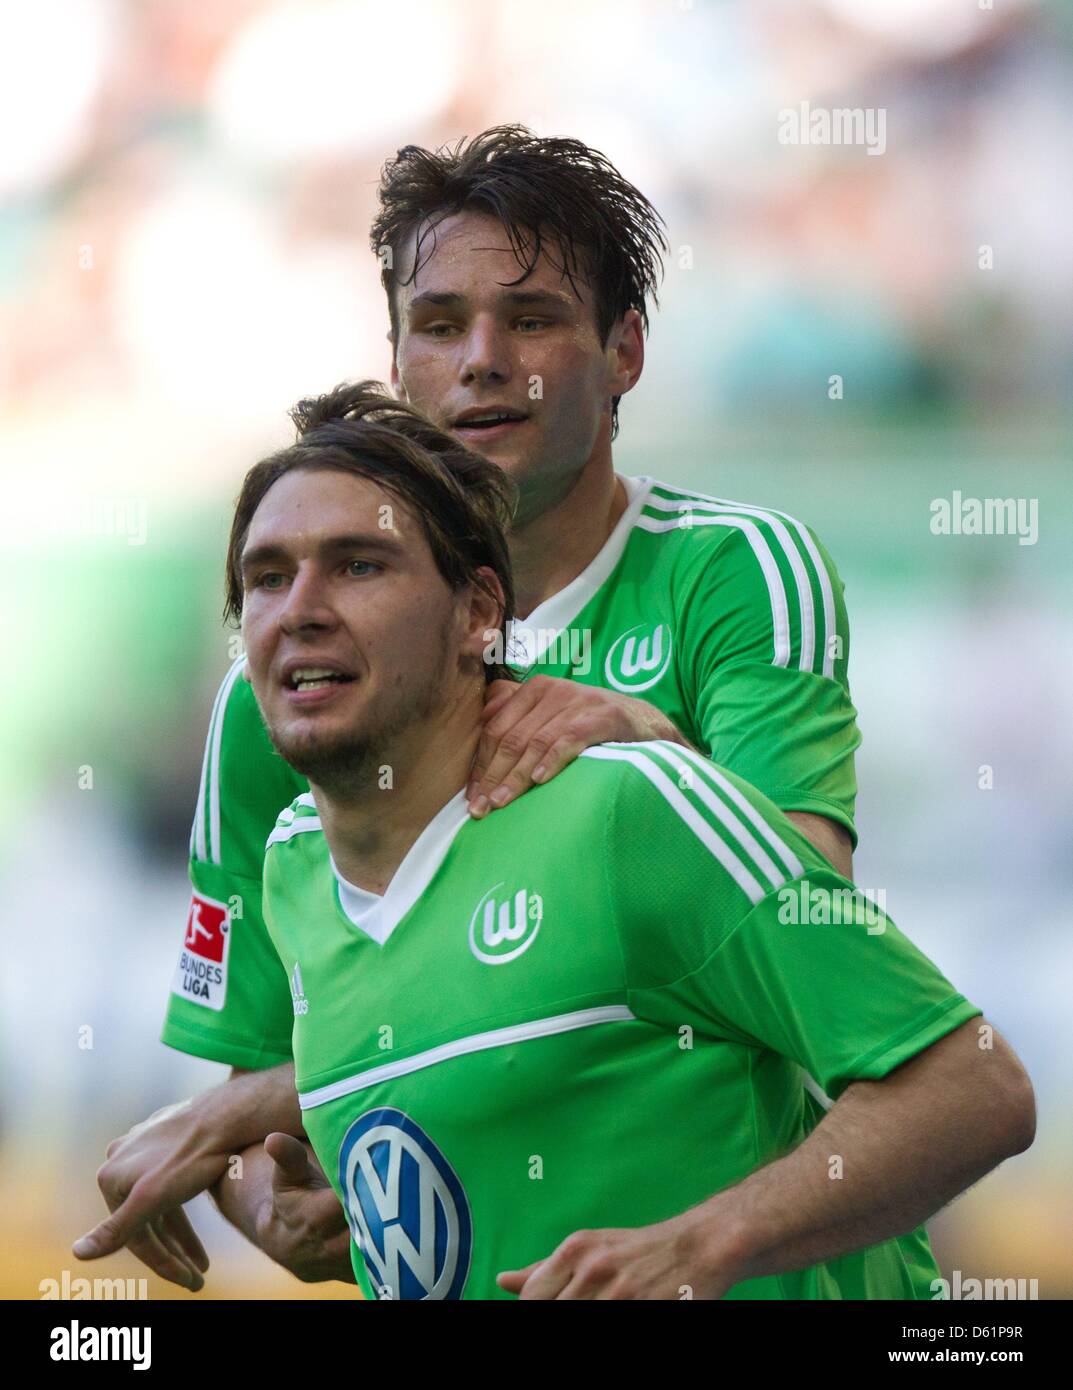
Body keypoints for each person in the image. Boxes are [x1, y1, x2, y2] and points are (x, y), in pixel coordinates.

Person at [77, 127, 862, 1289]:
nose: (481, 361)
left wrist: (648, 744)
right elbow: (248, 1073)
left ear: (624, 350)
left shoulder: (738, 572)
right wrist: (263, 1194)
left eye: (531, 318)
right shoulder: (285, 692)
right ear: (398, 361)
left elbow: (813, 932)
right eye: (438, 326)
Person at [119, 383, 1039, 1299]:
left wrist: (696, 1248)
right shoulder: (290, 867)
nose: (302, 608)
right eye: (269, 577)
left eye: (360, 565)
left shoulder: (630, 811)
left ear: (479, 615)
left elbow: (975, 1089)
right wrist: (268, 1184)